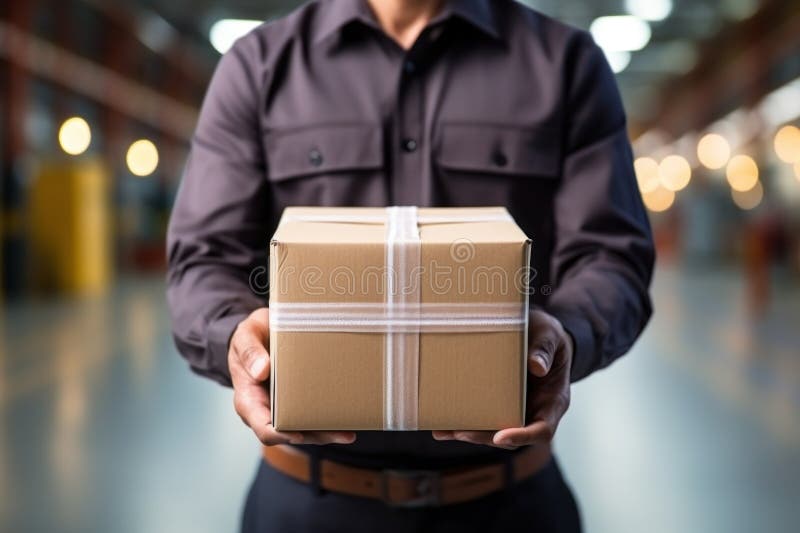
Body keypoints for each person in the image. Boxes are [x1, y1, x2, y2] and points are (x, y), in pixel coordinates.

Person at [166, 0, 655, 531]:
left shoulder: (567, 64)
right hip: (309, 505)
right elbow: (203, 260)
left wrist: (566, 336)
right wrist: (235, 338)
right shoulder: (258, 65)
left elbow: (612, 256)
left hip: (510, 504)